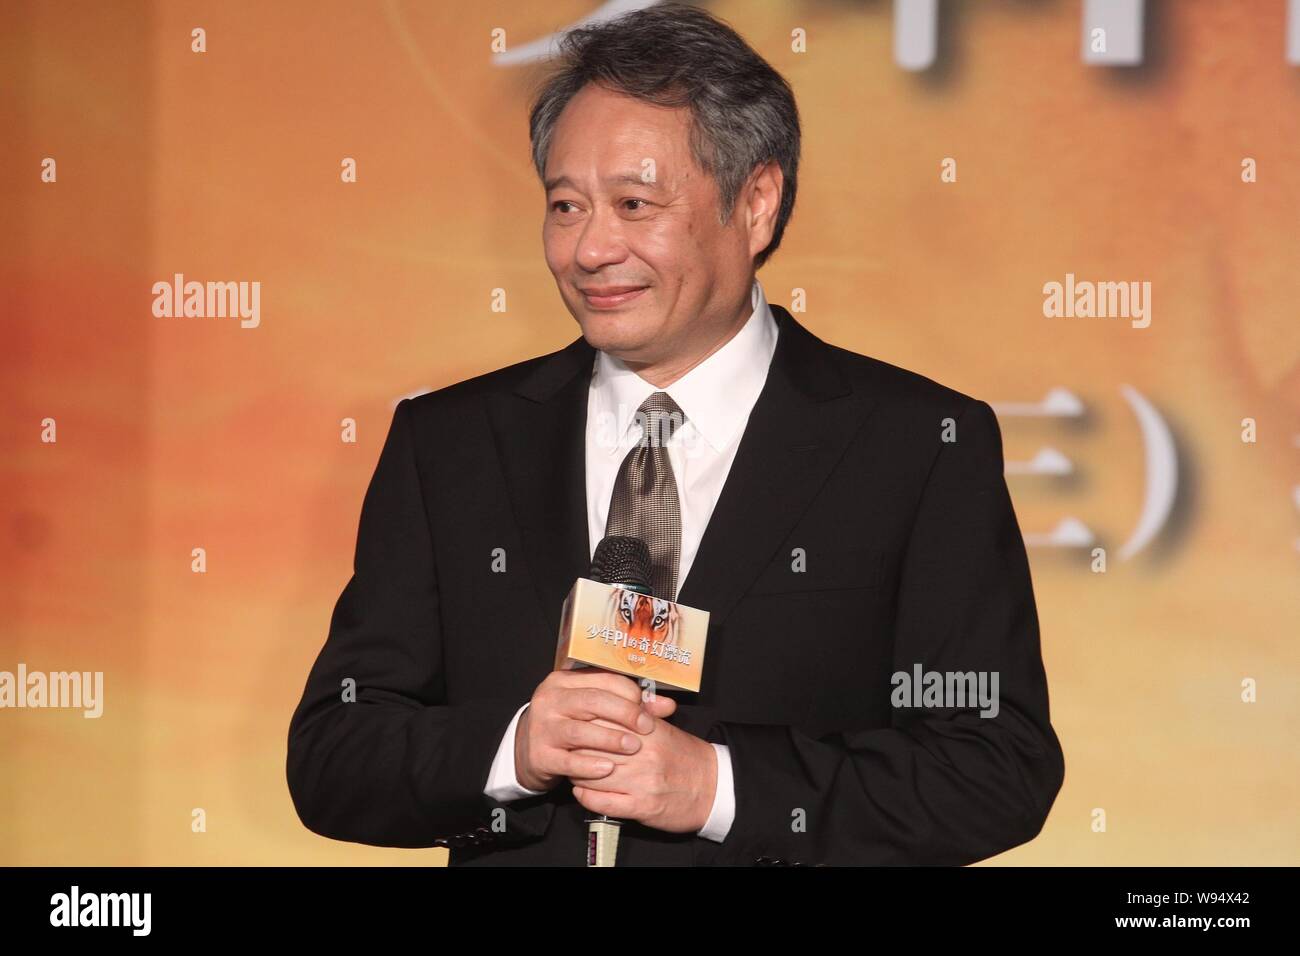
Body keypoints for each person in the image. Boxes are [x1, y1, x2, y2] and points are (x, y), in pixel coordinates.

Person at [286, 2, 1064, 866]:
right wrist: (515, 748)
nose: (589, 249)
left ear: (757, 203)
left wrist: (716, 788)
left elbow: (996, 768)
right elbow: (333, 755)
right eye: (567, 205)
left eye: (633, 203)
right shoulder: (450, 443)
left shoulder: (918, 446)